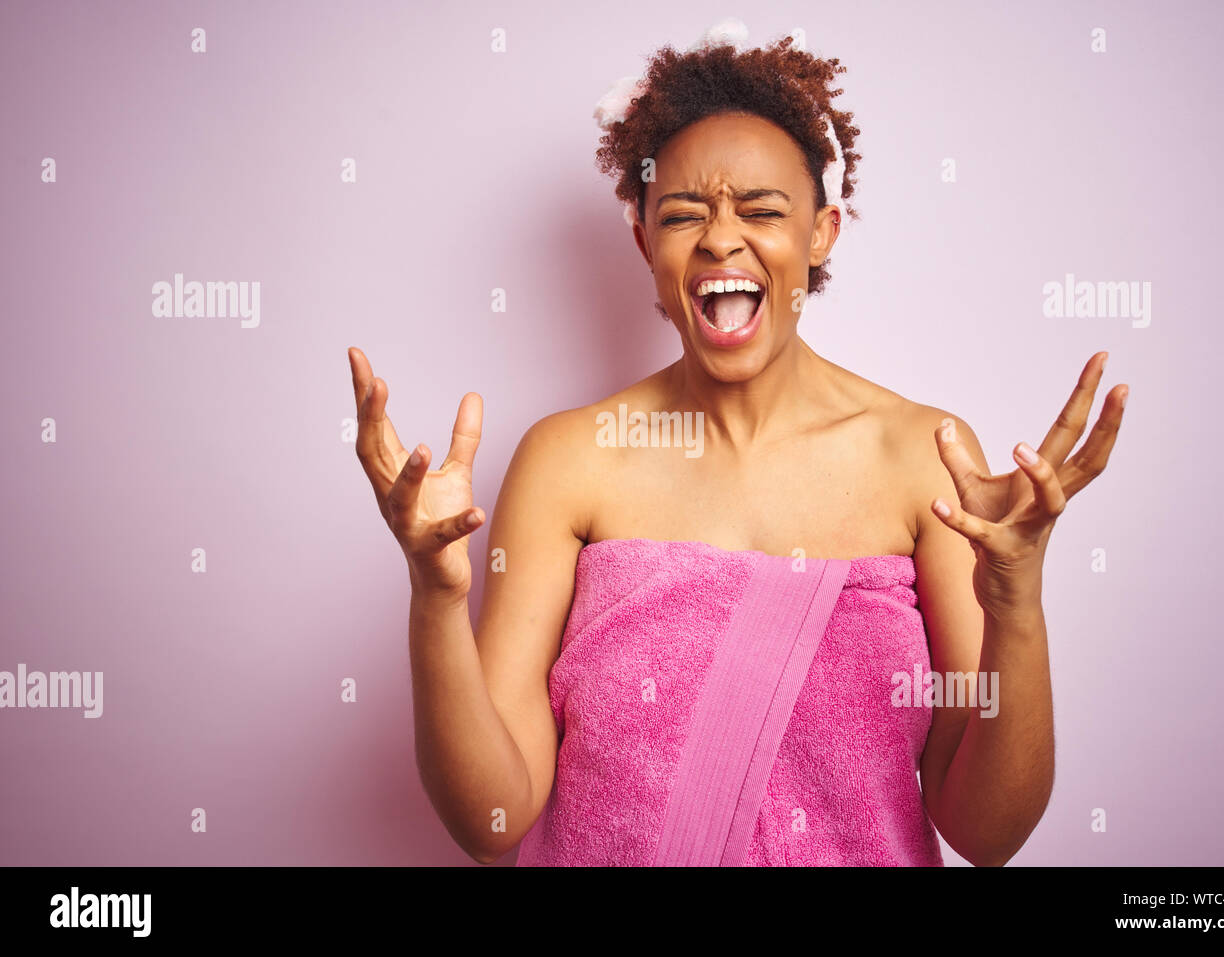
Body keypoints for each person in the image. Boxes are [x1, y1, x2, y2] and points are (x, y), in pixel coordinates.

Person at [348, 21, 1128, 866]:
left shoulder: (923, 459)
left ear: (822, 233)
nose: (722, 238)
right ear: (646, 243)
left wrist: (1015, 600)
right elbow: (491, 820)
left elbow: (988, 832)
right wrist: (433, 597)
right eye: (683, 214)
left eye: (762, 210)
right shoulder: (568, 461)